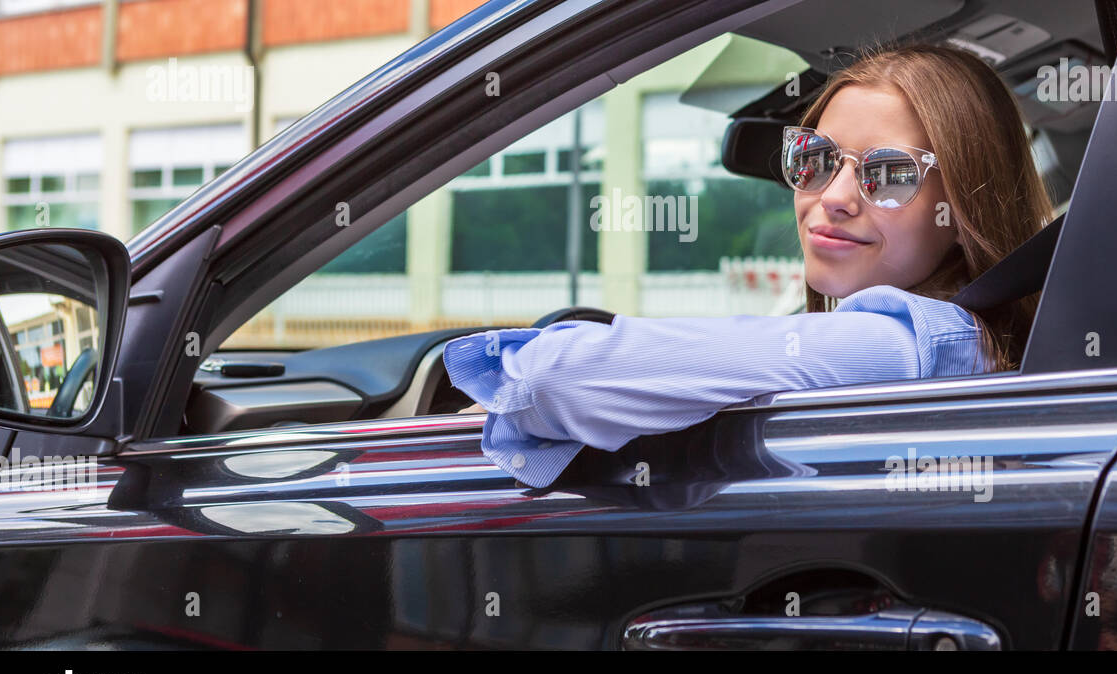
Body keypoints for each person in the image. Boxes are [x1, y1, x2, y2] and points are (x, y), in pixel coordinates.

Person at [443, 41, 1053, 488]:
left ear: (965, 199)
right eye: (814, 157)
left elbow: (553, 380)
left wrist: (503, 380)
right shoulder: (983, 339)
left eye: (888, 173)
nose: (833, 197)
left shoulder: (899, 344)